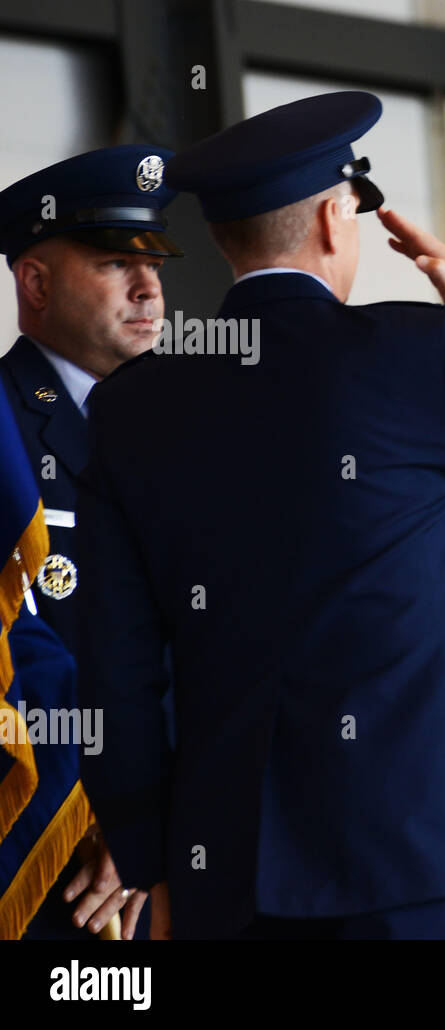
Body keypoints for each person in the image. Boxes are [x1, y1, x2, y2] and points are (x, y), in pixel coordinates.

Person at [75, 90, 445, 940]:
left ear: (226, 240)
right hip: (419, 853)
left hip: (226, 868)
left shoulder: (131, 409)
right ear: (339, 221)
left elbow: (114, 665)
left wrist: (157, 865)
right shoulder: (422, 354)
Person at [0, 145, 180, 939]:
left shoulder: (185, 431)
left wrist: (160, 815)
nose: (149, 290)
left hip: (172, 857)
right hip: (54, 851)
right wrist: (115, 804)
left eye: (154, 266)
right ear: (34, 283)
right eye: (115, 264)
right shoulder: (2, 423)